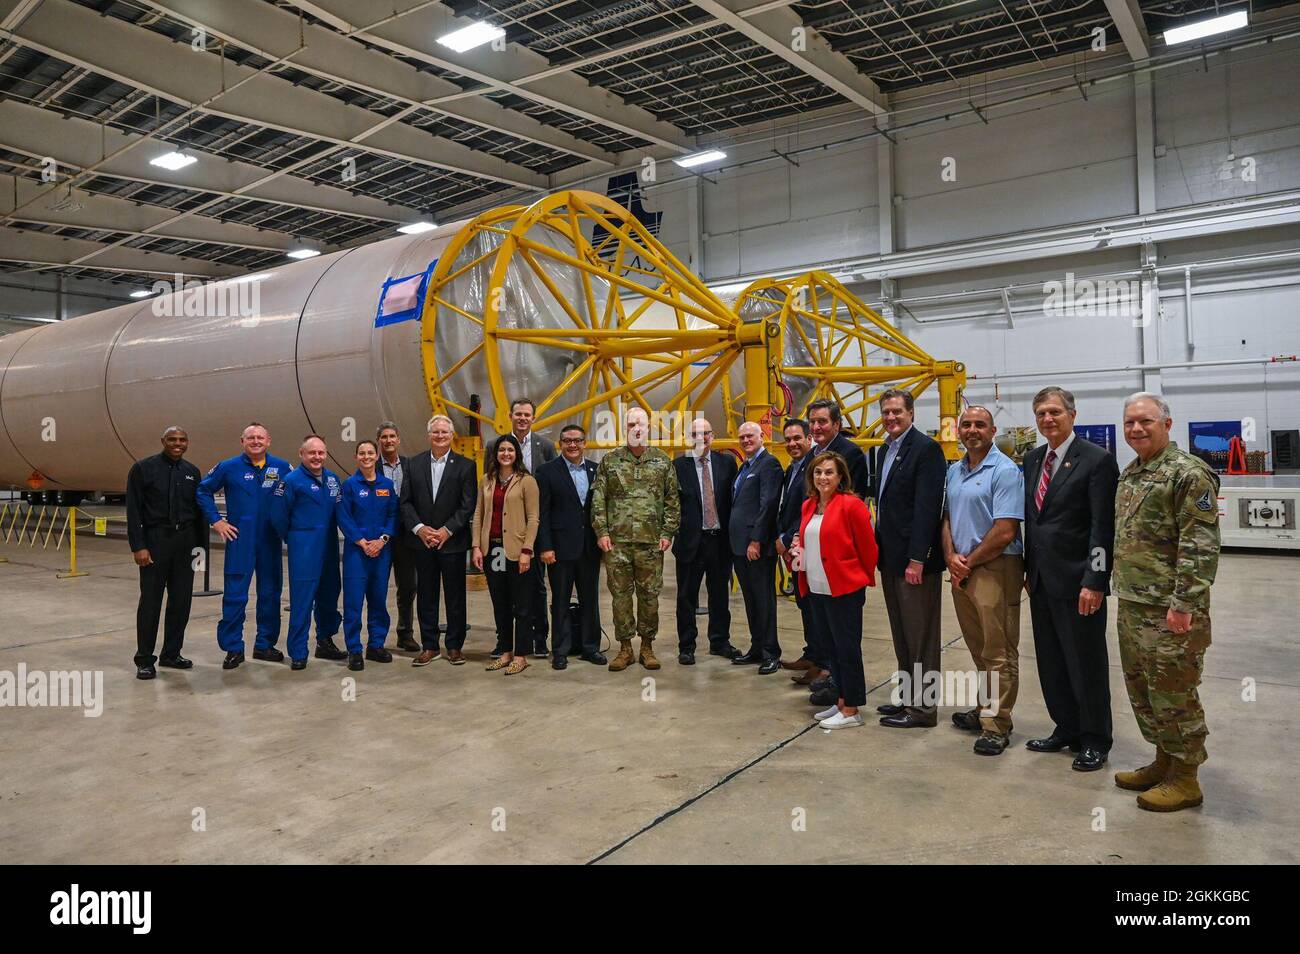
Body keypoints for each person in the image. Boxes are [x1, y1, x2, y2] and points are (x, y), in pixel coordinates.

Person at [1112, 392, 1220, 812]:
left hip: (1170, 609)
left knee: (1175, 692)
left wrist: (1184, 604)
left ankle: (1187, 779)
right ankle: (1163, 761)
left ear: (1167, 424)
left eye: (1145, 421)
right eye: (1129, 423)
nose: (1136, 429)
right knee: (1143, 690)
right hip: (1135, 603)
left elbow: (1200, 545)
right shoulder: (1133, 472)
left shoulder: (1189, 475)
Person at [1022, 386, 1119, 772]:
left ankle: (1095, 738)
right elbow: (1035, 520)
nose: (1048, 420)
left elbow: (1102, 527)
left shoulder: (1096, 461)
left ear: (1072, 415)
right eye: (1041, 414)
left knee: (1086, 663)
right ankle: (1067, 726)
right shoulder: (1032, 460)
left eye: (1055, 413)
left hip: (1079, 582)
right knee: (1052, 660)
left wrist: (1095, 580)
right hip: (1042, 580)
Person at [941, 406, 1025, 755]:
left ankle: (997, 724)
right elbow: (945, 517)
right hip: (962, 567)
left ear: (992, 431)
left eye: (980, 425)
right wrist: (951, 557)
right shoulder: (955, 471)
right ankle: (984, 708)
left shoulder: (1004, 471)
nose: (972, 430)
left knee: (998, 649)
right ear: (959, 431)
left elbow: (1005, 531)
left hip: (994, 567)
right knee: (977, 647)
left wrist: (968, 562)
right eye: (967, 425)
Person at [874, 388, 947, 728]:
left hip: (914, 562)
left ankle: (924, 710)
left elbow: (926, 509)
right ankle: (907, 698)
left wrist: (918, 558)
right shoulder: (884, 451)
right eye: (886, 412)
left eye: (897, 412)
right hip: (890, 559)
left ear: (912, 413)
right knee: (902, 635)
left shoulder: (926, 450)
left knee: (922, 638)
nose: (891, 418)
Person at [790, 452, 878, 728]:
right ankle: (840, 701)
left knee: (847, 649)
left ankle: (852, 709)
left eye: (829, 472)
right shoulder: (809, 506)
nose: (823, 477)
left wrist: (860, 577)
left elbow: (868, 548)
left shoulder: (851, 505)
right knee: (831, 649)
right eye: (818, 472)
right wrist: (797, 550)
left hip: (844, 589)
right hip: (816, 586)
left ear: (840, 477)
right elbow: (807, 539)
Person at [591, 406, 680, 672]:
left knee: (650, 596)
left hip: (651, 543)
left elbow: (672, 500)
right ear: (625, 429)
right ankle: (625, 648)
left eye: (640, 424)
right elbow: (598, 499)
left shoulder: (663, 461)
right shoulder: (610, 461)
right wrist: (602, 532)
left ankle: (647, 647)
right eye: (631, 425)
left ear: (649, 427)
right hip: (617, 543)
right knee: (620, 597)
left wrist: (667, 532)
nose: (636, 429)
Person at [196, 422, 290, 670]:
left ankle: (265, 645)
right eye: (251, 438)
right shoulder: (228, 467)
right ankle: (233, 647)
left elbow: (296, 494)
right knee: (236, 595)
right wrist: (217, 521)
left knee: (270, 594)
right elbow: (202, 491)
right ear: (242, 441)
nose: (256, 441)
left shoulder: (282, 467)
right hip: (240, 541)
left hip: (270, 540)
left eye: (260, 437)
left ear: (268, 441)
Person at [399, 415, 477, 668]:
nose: (440, 436)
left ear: (452, 435)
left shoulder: (466, 466)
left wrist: (446, 531)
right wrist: (420, 529)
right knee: (426, 595)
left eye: (444, 432)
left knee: (455, 596)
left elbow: (468, 505)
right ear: (428, 436)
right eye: (435, 432)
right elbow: (405, 502)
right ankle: (429, 645)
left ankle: (454, 646)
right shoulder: (413, 464)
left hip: (452, 543)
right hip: (422, 543)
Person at [125, 425, 202, 679]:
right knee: (150, 602)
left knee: (181, 602)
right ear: (163, 441)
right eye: (172, 439)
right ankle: (145, 659)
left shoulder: (192, 472)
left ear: (187, 442)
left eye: (182, 439)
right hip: (156, 542)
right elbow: (134, 510)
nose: (177, 443)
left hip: (186, 543)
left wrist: (200, 552)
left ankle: (171, 654)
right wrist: (139, 546)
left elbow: (199, 513)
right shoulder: (143, 469)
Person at [270, 435, 344, 670]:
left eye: (321, 452)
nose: (317, 457)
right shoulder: (291, 481)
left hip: (330, 548)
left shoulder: (333, 479)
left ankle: (325, 641)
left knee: (330, 594)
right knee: (302, 600)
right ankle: (298, 651)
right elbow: (278, 516)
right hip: (304, 549)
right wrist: (294, 537)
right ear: (302, 454)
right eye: (312, 453)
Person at [535, 424, 605, 670]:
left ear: (585, 443)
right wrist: (545, 546)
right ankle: (561, 650)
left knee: (590, 599)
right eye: (567, 441)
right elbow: (541, 513)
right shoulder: (546, 472)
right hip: (560, 550)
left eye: (577, 440)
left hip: (589, 549)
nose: (572, 445)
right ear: (560, 444)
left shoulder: (597, 471)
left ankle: (590, 647)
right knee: (561, 601)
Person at [672, 416, 740, 665]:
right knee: (686, 597)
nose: (701, 438)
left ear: (712, 436)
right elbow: (670, 504)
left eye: (706, 433)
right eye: (696, 434)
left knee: (720, 595)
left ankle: (720, 641)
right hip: (691, 541)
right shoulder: (678, 466)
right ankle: (686, 646)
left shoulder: (727, 463)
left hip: (720, 541)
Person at [472, 434, 540, 675]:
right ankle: (505, 651)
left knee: (521, 605)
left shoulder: (526, 481)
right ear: (496, 453)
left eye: (510, 450)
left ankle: (521, 655)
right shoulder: (487, 481)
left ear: (516, 454)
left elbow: (533, 518)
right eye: (502, 450)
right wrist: (476, 546)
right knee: (500, 603)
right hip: (493, 549)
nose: (506, 454)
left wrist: (527, 550)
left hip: (517, 550)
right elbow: (479, 513)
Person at [336, 440, 398, 671]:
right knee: (353, 602)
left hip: (381, 552)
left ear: (376, 456)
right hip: (357, 553)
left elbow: (393, 514)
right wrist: (362, 542)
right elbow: (344, 517)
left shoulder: (387, 485)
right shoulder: (350, 485)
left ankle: (376, 644)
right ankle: (354, 649)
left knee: (378, 599)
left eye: (370, 453)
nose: (366, 456)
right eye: (361, 453)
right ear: (356, 457)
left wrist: (382, 540)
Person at [729, 421, 785, 675]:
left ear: (762, 436)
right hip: (739, 546)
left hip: (756, 547)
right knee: (751, 600)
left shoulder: (769, 464)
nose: (746, 440)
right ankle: (756, 647)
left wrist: (756, 540)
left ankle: (771, 652)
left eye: (750, 436)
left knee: (763, 599)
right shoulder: (746, 466)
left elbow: (769, 504)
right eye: (742, 437)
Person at [775, 418, 824, 683]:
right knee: (804, 601)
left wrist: (785, 537)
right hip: (792, 549)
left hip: (805, 545)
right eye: (788, 440)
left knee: (814, 603)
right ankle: (812, 652)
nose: (792, 444)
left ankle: (821, 661)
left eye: (797, 438)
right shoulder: (793, 468)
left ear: (808, 439)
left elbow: (809, 508)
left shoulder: (814, 468)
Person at [508, 398, 557, 658]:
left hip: (535, 526)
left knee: (537, 586)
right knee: (508, 587)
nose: (522, 418)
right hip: (507, 529)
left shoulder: (546, 447)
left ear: (533, 418)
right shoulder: (497, 445)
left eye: (527, 414)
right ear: (510, 416)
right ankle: (505, 640)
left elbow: (553, 486)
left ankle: (540, 638)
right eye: (518, 414)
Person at [377, 422, 418, 652]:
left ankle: (405, 633)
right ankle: (377, 636)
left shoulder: (410, 465)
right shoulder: (372, 466)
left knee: (408, 586)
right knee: (379, 586)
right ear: (379, 441)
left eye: (392, 436)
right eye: (384, 437)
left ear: (398, 439)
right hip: (381, 536)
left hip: (405, 536)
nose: (389, 440)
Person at [807, 399, 869, 497]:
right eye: (812, 422)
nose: (815, 427)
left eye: (822, 421)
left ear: (836, 424)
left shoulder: (852, 454)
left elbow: (854, 497)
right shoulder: (810, 454)